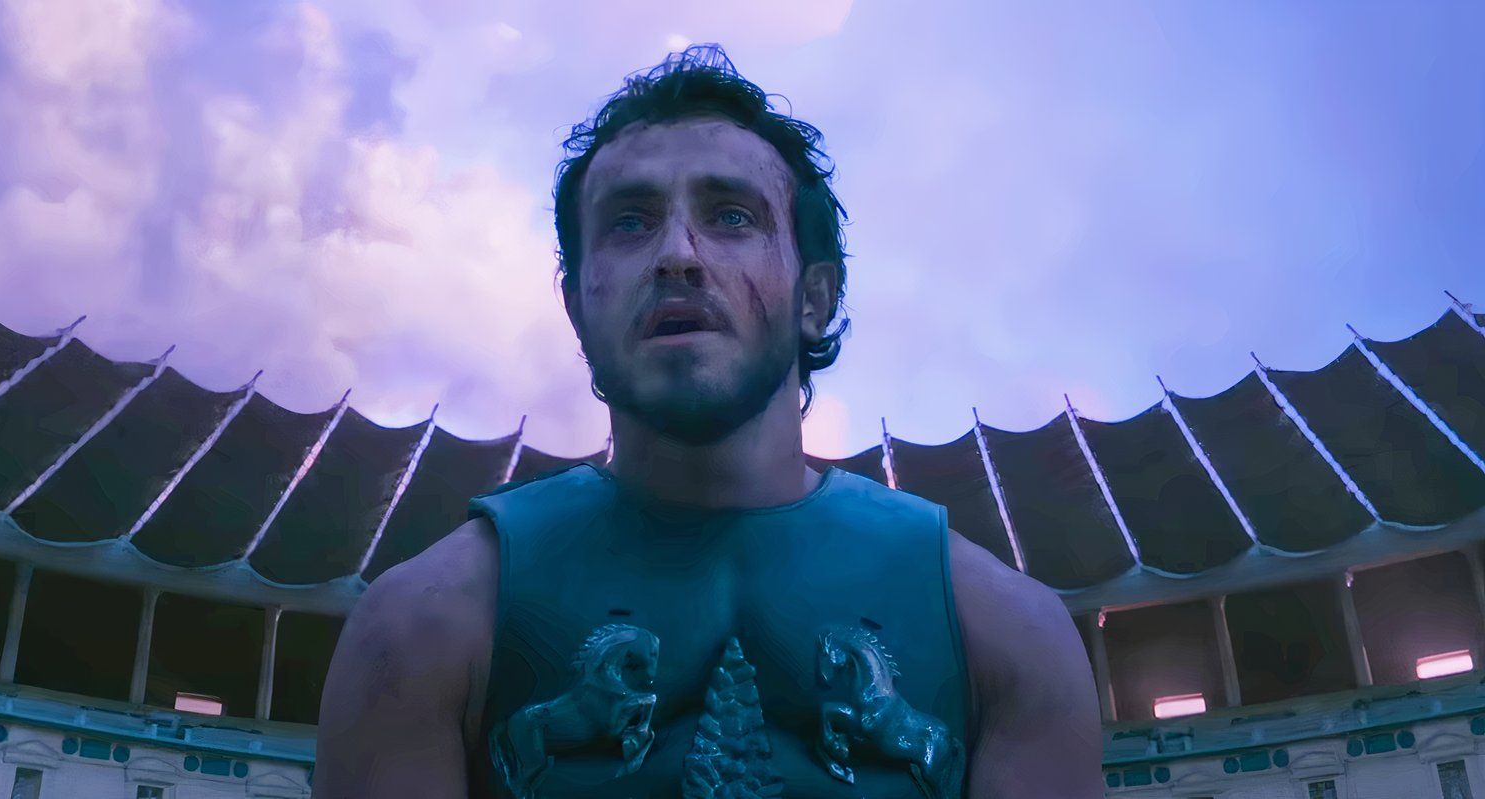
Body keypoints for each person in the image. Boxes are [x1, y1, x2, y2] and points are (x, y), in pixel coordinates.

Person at [315, 45, 1103, 798]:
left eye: (730, 216)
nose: (678, 255)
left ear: (814, 298)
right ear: (577, 305)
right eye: (630, 223)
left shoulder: (1006, 632)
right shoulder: (425, 624)